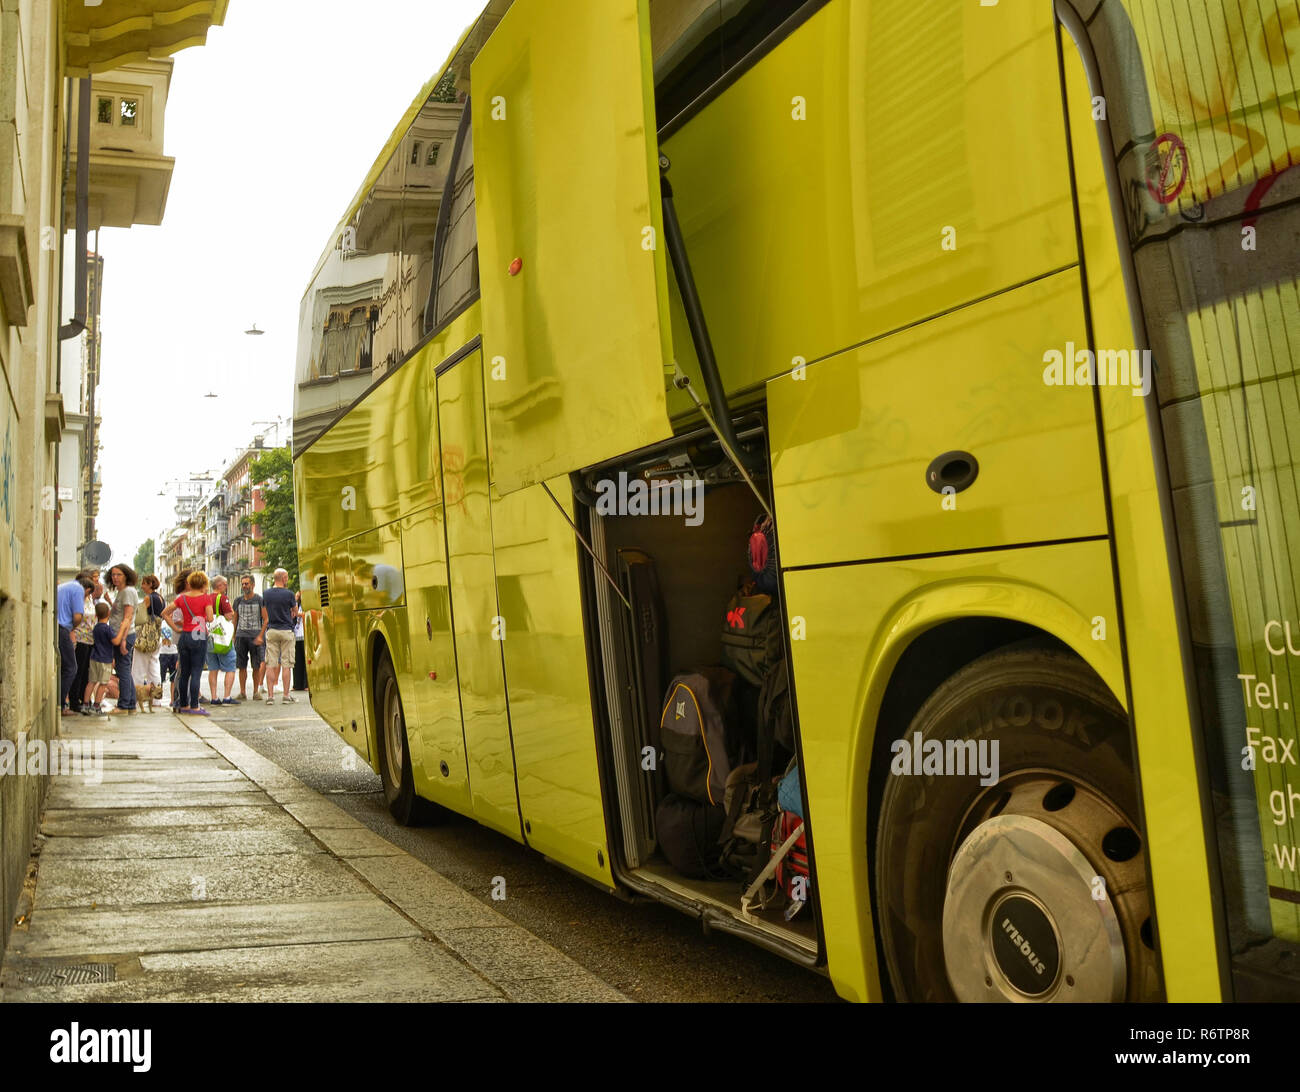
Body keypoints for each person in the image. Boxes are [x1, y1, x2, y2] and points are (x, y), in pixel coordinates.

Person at [162, 570, 214, 715]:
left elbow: (165, 613)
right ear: (204, 584)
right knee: (196, 672)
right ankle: (195, 706)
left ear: (190, 583)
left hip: (184, 636)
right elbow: (209, 618)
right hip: (198, 635)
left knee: (184, 672)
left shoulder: (182, 598)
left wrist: (175, 628)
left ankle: (183, 705)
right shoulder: (205, 598)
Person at [56, 570, 95, 714]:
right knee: (71, 668)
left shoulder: (64, 587)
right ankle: (59, 706)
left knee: (63, 667)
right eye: (88, 595)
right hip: (63, 629)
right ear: (88, 589)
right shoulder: (78, 589)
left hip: (55, 627)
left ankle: (60, 703)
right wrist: (72, 628)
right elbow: (78, 616)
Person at [106, 563, 140, 715]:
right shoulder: (123, 592)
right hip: (120, 634)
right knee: (124, 669)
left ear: (126, 576)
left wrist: (123, 639)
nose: (115, 577)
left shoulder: (127, 592)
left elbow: (127, 617)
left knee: (123, 670)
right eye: (113, 575)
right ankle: (130, 703)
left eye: (119, 574)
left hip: (123, 635)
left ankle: (124, 705)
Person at [131, 574, 167, 714]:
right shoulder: (161, 599)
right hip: (155, 638)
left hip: (145, 638)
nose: (142, 586)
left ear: (150, 584)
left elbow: (139, 616)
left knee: (138, 669)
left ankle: (133, 699)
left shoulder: (148, 598)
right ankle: (156, 699)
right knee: (154, 667)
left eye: (144, 583)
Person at [262, 568, 298, 705]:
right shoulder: (289, 594)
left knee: (270, 664)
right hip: (286, 630)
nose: (287, 579)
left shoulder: (266, 594)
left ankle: (270, 697)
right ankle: (286, 695)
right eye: (287, 577)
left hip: (272, 630)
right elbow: (294, 611)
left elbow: (264, 613)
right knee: (286, 664)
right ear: (283, 578)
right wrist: (290, 612)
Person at [205, 575, 238, 704]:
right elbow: (229, 616)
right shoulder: (222, 598)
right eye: (225, 584)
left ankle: (214, 697)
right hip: (222, 638)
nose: (227, 586)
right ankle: (226, 697)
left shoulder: (206, 598)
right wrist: (233, 613)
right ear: (219, 585)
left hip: (210, 638)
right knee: (230, 667)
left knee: (213, 668)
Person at [234, 572, 267, 700]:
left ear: (252, 585)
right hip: (241, 636)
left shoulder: (259, 599)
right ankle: (242, 692)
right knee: (241, 666)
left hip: (255, 636)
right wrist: (233, 636)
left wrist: (260, 635)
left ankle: (255, 691)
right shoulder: (238, 600)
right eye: (243, 584)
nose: (244, 586)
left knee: (256, 666)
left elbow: (266, 619)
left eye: (246, 583)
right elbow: (235, 620)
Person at [81, 602, 115, 715]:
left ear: (96, 615)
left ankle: (85, 704)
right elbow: (115, 641)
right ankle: (96, 705)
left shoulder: (95, 628)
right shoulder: (108, 629)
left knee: (91, 681)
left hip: (94, 657)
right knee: (103, 683)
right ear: (108, 613)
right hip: (105, 659)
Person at [68, 578, 97, 713]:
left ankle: (82, 698)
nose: (88, 593)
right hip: (79, 639)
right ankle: (74, 701)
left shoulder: (89, 600)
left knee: (86, 671)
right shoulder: (76, 600)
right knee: (78, 671)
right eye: (88, 590)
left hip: (89, 639)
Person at [292, 590, 308, 691]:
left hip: (305, 634)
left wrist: (298, 614)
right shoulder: (296, 604)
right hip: (297, 635)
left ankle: (306, 684)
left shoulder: (306, 605)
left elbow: (305, 614)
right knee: (297, 662)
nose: (297, 596)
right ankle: (297, 684)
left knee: (306, 661)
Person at [159, 624, 178, 696]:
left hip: (174, 652)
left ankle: (173, 700)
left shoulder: (175, 622)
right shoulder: (162, 623)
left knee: (174, 679)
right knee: (160, 678)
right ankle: (158, 699)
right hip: (162, 653)